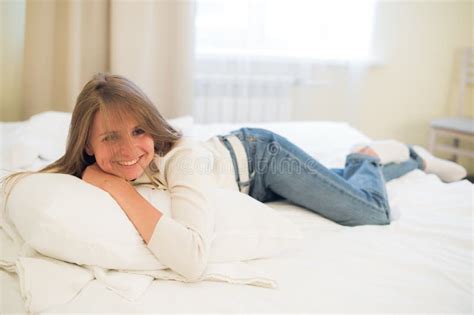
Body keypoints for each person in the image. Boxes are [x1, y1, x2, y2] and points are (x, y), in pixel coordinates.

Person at [9, 73, 467, 281]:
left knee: (369, 210)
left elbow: (190, 258)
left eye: (139, 130)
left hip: (261, 159)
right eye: (110, 138)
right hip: (245, 180)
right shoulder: (80, 168)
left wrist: (114, 187)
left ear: (153, 126)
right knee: (336, 186)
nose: (129, 150)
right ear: (86, 144)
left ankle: (375, 155)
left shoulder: (179, 158)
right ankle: (366, 163)